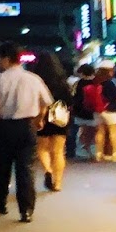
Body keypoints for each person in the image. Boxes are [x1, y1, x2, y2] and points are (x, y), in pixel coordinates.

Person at [0, 42, 50, 222]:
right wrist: (39, 119)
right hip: (27, 126)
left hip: (4, 127)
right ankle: (26, 210)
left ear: (6, 59)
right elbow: (45, 102)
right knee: (25, 169)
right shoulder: (33, 79)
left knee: (3, 167)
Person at [31, 52, 74, 192]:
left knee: (42, 148)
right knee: (58, 151)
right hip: (59, 116)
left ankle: (48, 170)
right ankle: (58, 183)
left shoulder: (37, 81)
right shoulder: (63, 82)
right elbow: (69, 101)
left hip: (42, 115)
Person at [94, 62, 116, 161]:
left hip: (98, 110)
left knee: (100, 131)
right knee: (113, 132)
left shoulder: (96, 81)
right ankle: (115, 154)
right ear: (109, 71)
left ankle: (99, 154)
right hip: (111, 110)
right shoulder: (109, 83)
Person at [72, 63, 100, 159]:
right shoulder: (96, 82)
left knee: (82, 130)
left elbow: (74, 96)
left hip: (80, 110)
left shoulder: (79, 83)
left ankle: (82, 149)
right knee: (92, 131)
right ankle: (91, 149)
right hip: (94, 110)